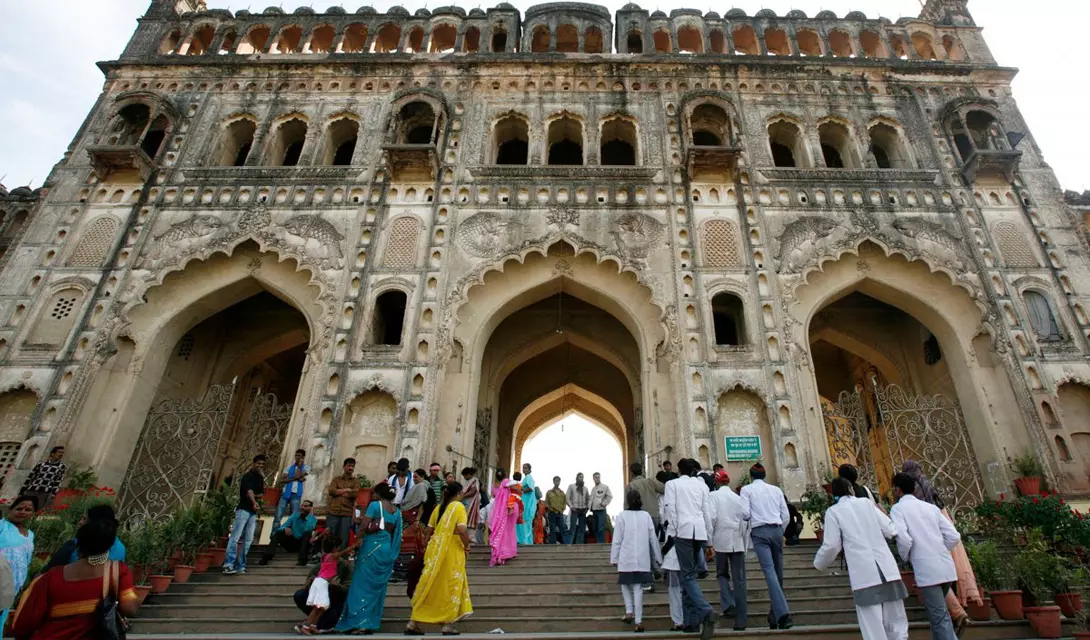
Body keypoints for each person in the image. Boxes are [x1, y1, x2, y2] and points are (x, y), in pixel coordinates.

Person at [10, 518, 139, 638]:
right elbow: (129, 608)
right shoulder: (117, 571)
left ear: (78, 544)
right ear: (110, 545)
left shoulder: (50, 577)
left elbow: (23, 623)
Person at [815, 478, 909, 640]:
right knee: (896, 620)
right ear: (851, 489)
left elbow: (832, 545)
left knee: (872, 626)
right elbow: (889, 529)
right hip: (886, 568)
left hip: (864, 573)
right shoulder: (866, 503)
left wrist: (819, 563)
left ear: (833, 494)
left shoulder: (834, 512)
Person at [902, 460, 979, 633]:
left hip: (928, 536)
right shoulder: (926, 483)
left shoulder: (915, 492)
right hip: (943, 529)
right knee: (944, 577)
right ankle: (957, 613)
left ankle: (957, 612)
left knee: (936, 591)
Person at [890, 472, 961, 640]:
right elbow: (954, 536)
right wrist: (939, 550)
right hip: (946, 567)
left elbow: (904, 539)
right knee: (939, 615)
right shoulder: (930, 508)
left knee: (939, 617)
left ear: (897, 490)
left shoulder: (898, 509)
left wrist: (906, 557)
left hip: (927, 570)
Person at [405, 482, 474, 636]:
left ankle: (413, 622)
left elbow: (429, 530)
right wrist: (467, 546)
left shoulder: (439, 508)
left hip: (434, 551)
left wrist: (427, 547)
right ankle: (447, 625)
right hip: (451, 552)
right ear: (458, 493)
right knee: (449, 585)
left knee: (430, 584)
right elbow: (462, 530)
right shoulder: (458, 507)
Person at [336, 482, 404, 635]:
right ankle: (369, 623)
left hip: (371, 549)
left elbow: (363, 526)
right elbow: (397, 535)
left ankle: (357, 622)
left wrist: (355, 542)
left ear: (380, 494)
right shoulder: (397, 512)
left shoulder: (375, 505)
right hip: (386, 550)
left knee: (361, 586)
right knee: (376, 590)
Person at [662, 458, 717, 640]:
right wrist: (709, 540)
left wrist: (676, 531)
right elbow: (706, 512)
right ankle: (691, 621)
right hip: (699, 532)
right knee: (689, 576)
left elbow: (670, 509)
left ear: (679, 470)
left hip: (683, 532)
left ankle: (706, 611)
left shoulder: (672, 484)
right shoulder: (701, 486)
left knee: (687, 576)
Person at [738, 463, 792, 630]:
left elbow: (745, 514)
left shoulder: (747, 490)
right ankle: (774, 616)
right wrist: (780, 530)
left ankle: (784, 614)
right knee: (778, 572)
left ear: (751, 476)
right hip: (776, 530)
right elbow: (786, 515)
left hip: (760, 532)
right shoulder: (775, 490)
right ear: (765, 475)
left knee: (769, 571)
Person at [611, 489, 661, 633]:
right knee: (638, 589)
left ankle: (629, 611)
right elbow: (653, 538)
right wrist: (658, 558)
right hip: (642, 558)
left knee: (625, 584)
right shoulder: (646, 516)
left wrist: (614, 557)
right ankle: (638, 621)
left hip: (626, 557)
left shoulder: (622, 516)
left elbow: (617, 540)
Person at [710, 470, 749, 631]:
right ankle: (741, 619)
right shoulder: (737, 497)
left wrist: (709, 541)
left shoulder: (714, 496)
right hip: (737, 541)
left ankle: (728, 603)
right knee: (739, 579)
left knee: (722, 573)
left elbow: (711, 518)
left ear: (717, 482)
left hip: (720, 541)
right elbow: (745, 517)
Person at [297, 535, 355, 635]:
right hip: (322, 583)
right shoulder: (331, 556)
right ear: (335, 548)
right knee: (317, 607)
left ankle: (313, 626)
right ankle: (305, 626)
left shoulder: (324, 556)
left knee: (322, 606)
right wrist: (354, 545)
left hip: (321, 582)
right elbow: (344, 552)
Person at [44, 504, 125, 571]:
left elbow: (47, 573)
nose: (80, 522)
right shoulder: (121, 548)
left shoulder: (76, 544)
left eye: (85, 519)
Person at [223, 454, 266, 575]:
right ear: (253, 463)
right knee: (235, 537)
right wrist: (253, 501)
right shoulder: (247, 476)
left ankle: (240, 565)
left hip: (252, 512)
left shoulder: (259, 478)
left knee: (248, 539)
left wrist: (262, 479)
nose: (260, 466)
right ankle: (228, 564)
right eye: (258, 463)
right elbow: (249, 491)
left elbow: (261, 494)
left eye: (262, 464)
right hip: (243, 509)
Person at [0, 495, 36, 628]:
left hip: (12, 586)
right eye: (19, 508)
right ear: (11, 509)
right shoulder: (2, 526)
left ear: (32, 514)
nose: (22, 512)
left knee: (2, 617)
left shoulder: (30, 534)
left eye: (27, 510)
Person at [260, 499, 317, 566]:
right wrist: (285, 529)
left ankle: (302, 560)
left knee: (307, 534)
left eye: (306, 506)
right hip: (291, 543)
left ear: (310, 508)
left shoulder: (312, 518)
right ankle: (267, 557)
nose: (303, 507)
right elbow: (281, 528)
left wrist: (310, 515)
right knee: (279, 533)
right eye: (302, 505)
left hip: (302, 545)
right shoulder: (295, 515)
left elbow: (308, 529)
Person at [325, 458, 358, 548]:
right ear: (344, 467)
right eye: (348, 466)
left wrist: (338, 492)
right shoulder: (336, 479)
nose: (350, 468)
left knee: (344, 537)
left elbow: (354, 493)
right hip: (333, 511)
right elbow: (332, 491)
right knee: (330, 535)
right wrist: (347, 490)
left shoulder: (356, 481)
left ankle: (341, 558)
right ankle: (327, 558)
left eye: (352, 466)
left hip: (346, 512)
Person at [273, 449, 310, 532]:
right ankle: (274, 535)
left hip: (296, 495)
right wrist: (297, 478)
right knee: (278, 516)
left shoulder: (307, 467)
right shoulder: (289, 467)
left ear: (303, 457)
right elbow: (282, 480)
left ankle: (291, 536)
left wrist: (299, 468)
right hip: (285, 493)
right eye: (296, 455)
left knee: (294, 517)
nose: (296, 457)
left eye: (299, 456)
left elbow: (300, 474)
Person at [488, 470, 519, 566]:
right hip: (508, 511)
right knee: (508, 532)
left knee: (503, 533)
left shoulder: (496, 486)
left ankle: (501, 554)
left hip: (501, 512)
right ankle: (505, 553)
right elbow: (517, 491)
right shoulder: (507, 484)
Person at [627, 463, 665, 535]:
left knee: (642, 539)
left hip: (639, 516)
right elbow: (664, 489)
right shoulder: (650, 481)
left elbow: (627, 505)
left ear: (631, 473)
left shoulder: (631, 485)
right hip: (654, 514)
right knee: (653, 539)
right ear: (642, 471)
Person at [566, 473, 591, 544]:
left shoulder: (585, 488)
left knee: (582, 529)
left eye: (582, 477)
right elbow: (567, 498)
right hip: (575, 509)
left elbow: (588, 499)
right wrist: (571, 506)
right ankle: (570, 544)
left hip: (583, 510)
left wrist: (587, 508)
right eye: (580, 477)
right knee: (572, 528)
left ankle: (579, 545)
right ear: (576, 478)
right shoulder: (571, 486)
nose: (581, 478)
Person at [517, 463, 538, 545]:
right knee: (524, 523)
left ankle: (525, 541)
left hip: (528, 504)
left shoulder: (529, 477)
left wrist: (522, 491)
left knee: (525, 522)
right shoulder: (526, 477)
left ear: (529, 470)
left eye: (525, 468)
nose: (524, 469)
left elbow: (530, 488)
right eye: (523, 468)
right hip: (525, 503)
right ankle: (525, 541)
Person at [589, 472, 613, 544]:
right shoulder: (593, 489)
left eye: (598, 477)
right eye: (596, 477)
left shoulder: (604, 487)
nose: (597, 479)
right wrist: (589, 507)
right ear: (593, 479)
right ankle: (597, 543)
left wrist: (604, 503)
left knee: (601, 528)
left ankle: (601, 544)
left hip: (601, 510)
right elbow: (591, 500)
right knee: (595, 528)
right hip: (594, 511)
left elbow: (610, 496)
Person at [461, 467, 482, 543]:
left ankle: (471, 538)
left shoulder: (474, 481)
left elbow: (473, 491)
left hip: (471, 503)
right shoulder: (469, 481)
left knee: (470, 518)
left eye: (465, 476)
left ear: (469, 474)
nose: (464, 478)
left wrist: (463, 496)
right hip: (466, 502)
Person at [545, 476, 568, 544]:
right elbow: (546, 503)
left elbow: (564, 503)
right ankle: (552, 544)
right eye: (555, 481)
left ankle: (565, 543)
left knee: (563, 528)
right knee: (552, 529)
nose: (557, 482)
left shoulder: (562, 493)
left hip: (560, 513)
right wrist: (550, 509)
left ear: (560, 482)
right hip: (552, 513)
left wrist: (562, 510)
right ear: (553, 481)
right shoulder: (549, 492)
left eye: (558, 481)